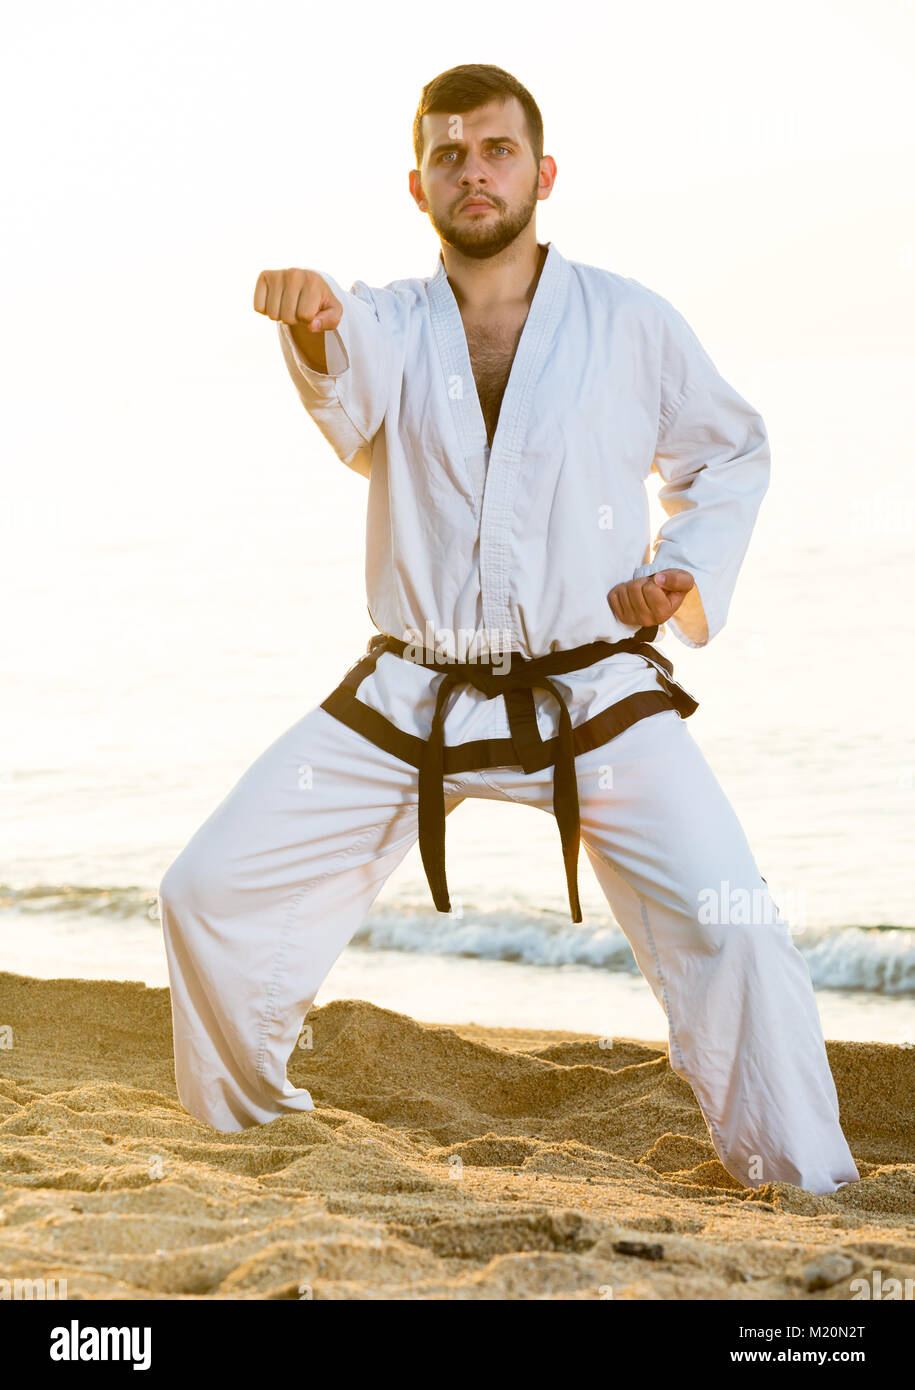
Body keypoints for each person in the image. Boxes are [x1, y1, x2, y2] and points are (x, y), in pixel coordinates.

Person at [158, 63, 859, 1195]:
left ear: (543, 171)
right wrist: (317, 319)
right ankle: (254, 1136)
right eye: (448, 154)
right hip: (412, 691)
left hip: (593, 688)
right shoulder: (386, 317)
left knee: (737, 932)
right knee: (207, 891)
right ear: (416, 183)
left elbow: (730, 452)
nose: (472, 171)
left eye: (494, 150)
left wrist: (674, 573)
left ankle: (802, 1181)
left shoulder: (630, 320)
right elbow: (347, 385)